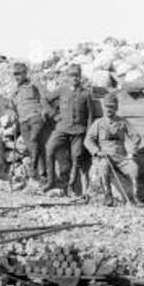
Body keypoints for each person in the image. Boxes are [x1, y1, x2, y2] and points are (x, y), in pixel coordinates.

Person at [84, 94, 142, 205]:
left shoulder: (122, 122)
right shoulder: (98, 123)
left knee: (134, 168)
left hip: (121, 158)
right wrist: (97, 151)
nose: (109, 109)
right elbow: (88, 140)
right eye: (107, 107)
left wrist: (132, 152)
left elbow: (136, 137)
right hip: (104, 156)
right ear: (103, 107)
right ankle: (108, 196)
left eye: (112, 106)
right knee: (104, 166)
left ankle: (136, 197)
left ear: (116, 107)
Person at [45, 66, 94, 196]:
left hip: (78, 131)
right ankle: (50, 182)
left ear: (80, 76)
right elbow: (45, 100)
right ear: (67, 77)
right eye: (72, 75)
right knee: (49, 149)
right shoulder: (62, 90)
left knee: (76, 157)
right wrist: (54, 115)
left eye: (76, 75)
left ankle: (71, 187)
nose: (74, 78)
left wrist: (88, 133)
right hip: (62, 128)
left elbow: (90, 115)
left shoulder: (85, 93)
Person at [10, 61, 54, 183]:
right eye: (15, 74)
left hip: (35, 118)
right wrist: (14, 115)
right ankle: (42, 174)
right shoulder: (15, 90)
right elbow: (12, 106)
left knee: (34, 140)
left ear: (25, 73)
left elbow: (47, 96)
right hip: (23, 121)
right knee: (32, 146)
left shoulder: (34, 84)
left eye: (19, 73)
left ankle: (33, 169)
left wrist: (44, 112)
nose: (17, 76)